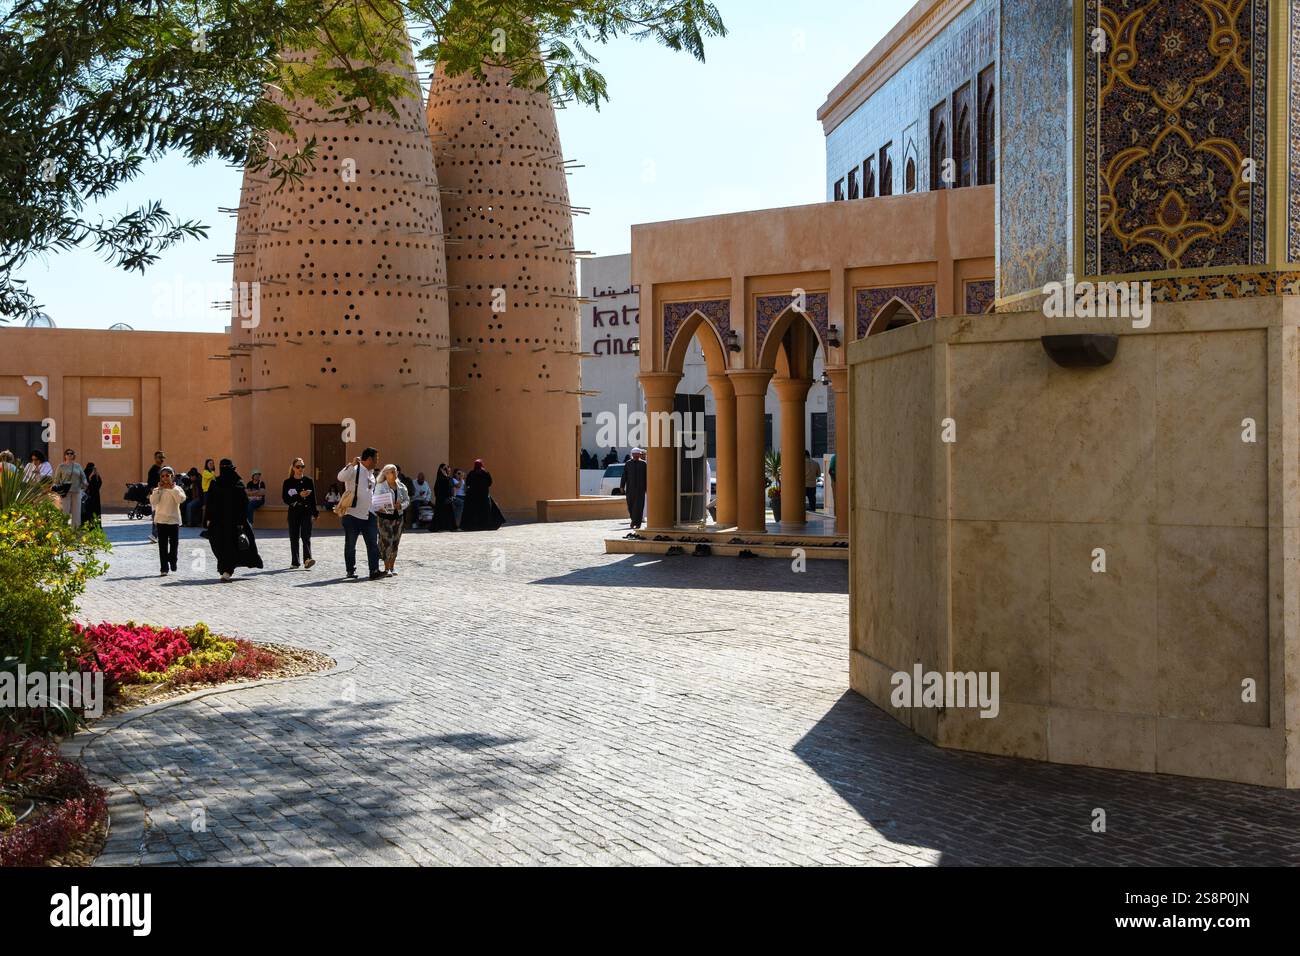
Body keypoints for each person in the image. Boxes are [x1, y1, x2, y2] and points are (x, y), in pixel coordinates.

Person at [205, 459, 263, 581]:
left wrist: (208, 519)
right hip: (230, 522)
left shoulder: (218, 483)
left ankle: (226, 570)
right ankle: (227, 569)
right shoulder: (237, 483)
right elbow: (244, 503)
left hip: (226, 522)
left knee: (225, 546)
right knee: (227, 546)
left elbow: (210, 503)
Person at [338, 447, 383, 580]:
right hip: (352, 514)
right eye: (376, 459)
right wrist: (351, 465)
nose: (377, 461)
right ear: (369, 459)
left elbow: (371, 493)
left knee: (372, 544)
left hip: (369, 514)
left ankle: (374, 570)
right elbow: (340, 477)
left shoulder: (371, 474)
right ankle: (350, 570)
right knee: (351, 544)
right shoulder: (355, 469)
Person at [372, 464, 410, 575]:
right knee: (386, 542)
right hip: (384, 518)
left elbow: (407, 500)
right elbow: (376, 501)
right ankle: (386, 568)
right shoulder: (380, 486)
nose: (394, 474)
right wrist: (384, 506)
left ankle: (392, 567)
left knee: (395, 542)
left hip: (398, 517)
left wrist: (401, 506)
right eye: (391, 472)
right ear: (386, 474)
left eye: (395, 471)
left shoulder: (401, 486)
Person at [149, 466, 186, 576]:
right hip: (161, 520)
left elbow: (181, 499)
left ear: (172, 476)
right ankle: (164, 568)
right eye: (163, 476)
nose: (165, 478)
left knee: (174, 544)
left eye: (167, 475)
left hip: (173, 520)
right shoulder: (157, 490)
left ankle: (173, 560)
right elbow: (153, 502)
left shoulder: (177, 488)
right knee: (162, 546)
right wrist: (159, 490)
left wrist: (172, 488)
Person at [282, 457, 318, 569]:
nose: (300, 469)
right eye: (298, 466)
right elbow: (285, 498)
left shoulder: (308, 481)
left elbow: (313, 498)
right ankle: (295, 562)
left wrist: (315, 512)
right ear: (293, 468)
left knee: (306, 536)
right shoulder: (288, 482)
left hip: (306, 511)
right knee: (294, 536)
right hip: (294, 511)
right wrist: (299, 495)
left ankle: (307, 559)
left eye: (302, 466)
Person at [459, 459, 504, 531]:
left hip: (472, 496)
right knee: (485, 511)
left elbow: (467, 483)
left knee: (473, 511)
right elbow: (490, 483)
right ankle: (485, 525)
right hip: (483, 496)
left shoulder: (471, 473)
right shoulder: (485, 473)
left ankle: (472, 526)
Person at [52, 448, 87, 528]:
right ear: (65, 455)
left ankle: (75, 528)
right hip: (66, 491)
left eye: (71, 453)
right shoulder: (61, 466)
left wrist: (85, 482)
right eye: (68, 453)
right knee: (65, 510)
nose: (69, 455)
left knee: (77, 511)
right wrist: (55, 487)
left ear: (74, 455)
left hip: (76, 490)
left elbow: (83, 476)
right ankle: (64, 528)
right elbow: (57, 479)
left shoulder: (77, 466)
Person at [619, 447, 648, 529]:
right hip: (630, 489)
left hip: (640, 489)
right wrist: (621, 486)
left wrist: (647, 488)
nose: (636, 455)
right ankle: (633, 520)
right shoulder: (628, 463)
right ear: (632, 454)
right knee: (630, 505)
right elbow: (624, 475)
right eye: (634, 454)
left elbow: (647, 477)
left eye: (637, 454)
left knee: (639, 506)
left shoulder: (643, 464)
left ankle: (637, 523)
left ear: (640, 455)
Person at [147, 450, 166, 543]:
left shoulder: (162, 470)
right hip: (156, 496)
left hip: (163, 495)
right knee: (156, 516)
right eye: (160, 457)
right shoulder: (153, 470)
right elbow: (150, 485)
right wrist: (155, 496)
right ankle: (154, 535)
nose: (162, 459)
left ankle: (159, 535)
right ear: (155, 458)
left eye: (163, 457)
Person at [432, 464, 456, 531]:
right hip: (441, 499)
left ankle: (449, 527)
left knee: (449, 513)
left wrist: (452, 496)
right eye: (445, 468)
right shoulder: (440, 478)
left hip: (448, 498)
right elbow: (438, 489)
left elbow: (451, 487)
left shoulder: (449, 478)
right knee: (440, 513)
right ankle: (439, 527)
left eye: (447, 467)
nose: (447, 469)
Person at [82, 462, 103, 526]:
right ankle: (95, 524)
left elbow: (86, 485)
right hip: (95, 496)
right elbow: (100, 484)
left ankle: (88, 525)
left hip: (89, 496)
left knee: (88, 511)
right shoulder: (96, 476)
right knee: (95, 511)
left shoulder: (86, 474)